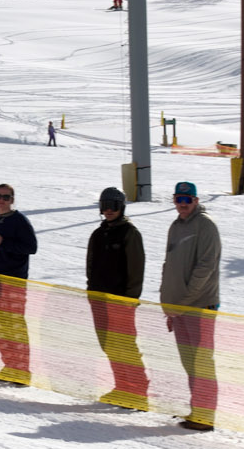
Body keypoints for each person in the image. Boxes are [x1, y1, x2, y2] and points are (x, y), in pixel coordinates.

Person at [159, 181, 220, 432]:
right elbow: (169, 265)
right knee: (189, 362)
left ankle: (205, 416)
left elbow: (205, 267)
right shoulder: (176, 226)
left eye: (187, 200)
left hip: (199, 305)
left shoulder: (205, 226)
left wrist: (184, 300)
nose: (182, 205)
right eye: (178, 200)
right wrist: (169, 303)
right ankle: (198, 410)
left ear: (196, 201)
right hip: (179, 306)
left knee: (201, 362)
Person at [85, 186, 148, 409]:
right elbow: (90, 264)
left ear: (121, 208)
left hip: (120, 299)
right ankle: (122, 386)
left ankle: (138, 389)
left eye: (113, 206)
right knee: (108, 344)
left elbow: (136, 268)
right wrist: (91, 291)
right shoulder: (98, 234)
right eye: (104, 206)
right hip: (99, 298)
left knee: (124, 344)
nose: (108, 210)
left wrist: (129, 299)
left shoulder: (129, 233)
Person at [0, 183, 38, 385]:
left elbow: (31, 247)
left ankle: (22, 370)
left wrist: (4, 243)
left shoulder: (19, 220)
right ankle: (9, 366)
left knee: (15, 325)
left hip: (13, 279)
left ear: (12, 200)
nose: (1, 200)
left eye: (6, 197)